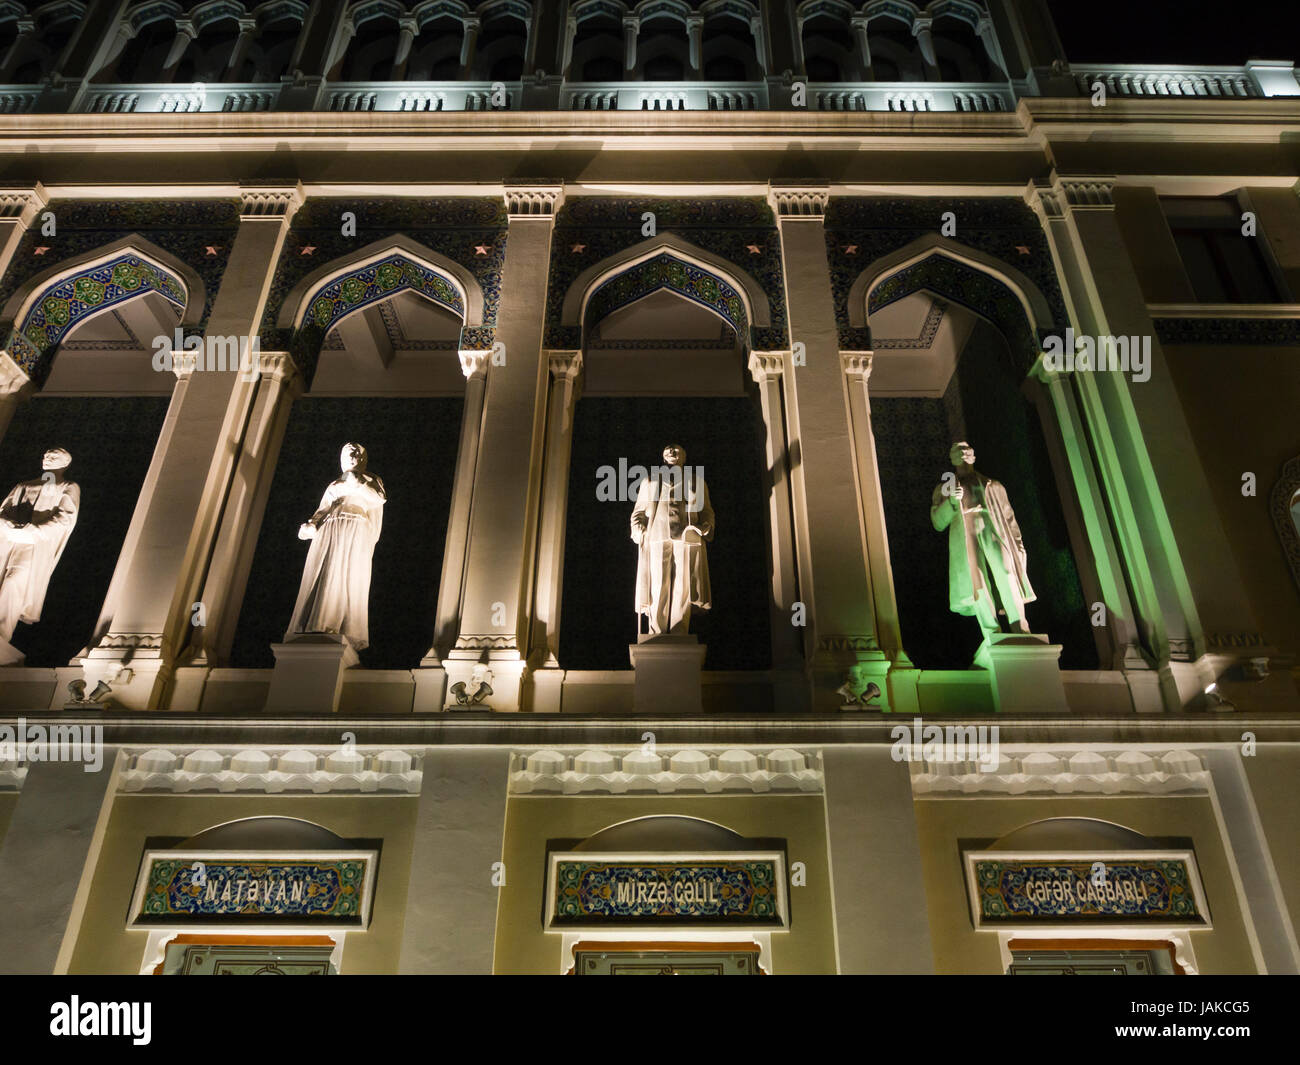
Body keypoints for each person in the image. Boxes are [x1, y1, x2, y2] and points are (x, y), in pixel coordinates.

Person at [286, 442, 385, 651]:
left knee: (345, 575)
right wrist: (311, 525)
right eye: (348, 454)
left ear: (362, 458)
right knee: (327, 572)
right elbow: (323, 509)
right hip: (330, 530)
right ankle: (318, 621)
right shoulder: (334, 484)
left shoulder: (371, 479)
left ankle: (337, 624)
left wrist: (359, 484)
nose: (352, 457)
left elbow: (379, 499)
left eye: (356, 454)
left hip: (356, 529)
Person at [930, 441, 1034, 636]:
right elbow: (937, 521)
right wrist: (951, 502)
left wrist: (1019, 546)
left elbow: (1009, 517)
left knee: (1007, 573)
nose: (962, 453)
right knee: (976, 581)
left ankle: (1020, 626)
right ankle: (991, 630)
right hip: (966, 534)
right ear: (952, 458)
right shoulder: (945, 489)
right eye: (957, 451)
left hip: (992, 530)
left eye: (966, 450)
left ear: (973, 457)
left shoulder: (994, 485)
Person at [0, 447, 80, 665]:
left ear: (65, 463)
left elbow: (65, 518)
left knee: (15, 584)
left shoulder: (68, 487)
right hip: (9, 541)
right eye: (45, 455)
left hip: (34, 545)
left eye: (53, 457)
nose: (47, 458)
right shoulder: (24, 485)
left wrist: (35, 532)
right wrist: (7, 525)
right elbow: (4, 510)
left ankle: (1, 633)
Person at [631, 443, 714, 635]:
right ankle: (657, 631)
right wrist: (637, 527)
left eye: (677, 450)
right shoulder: (650, 481)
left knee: (683, 585)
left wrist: (706, 527)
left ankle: (679, 631)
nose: (672, 451)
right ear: (663, 456)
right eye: (668, 449)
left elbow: (707, 512)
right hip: (657, 535)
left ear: (684, 457)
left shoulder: (696, 482)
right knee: (658, 583)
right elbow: (639, 511)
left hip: (686, 536)